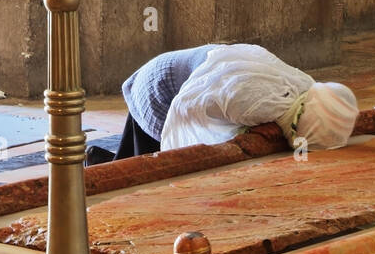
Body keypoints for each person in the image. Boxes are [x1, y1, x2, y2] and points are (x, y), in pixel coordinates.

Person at [88, 43, 358, 164]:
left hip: (194, 67)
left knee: (138, 155)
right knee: (149, 168)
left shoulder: (303, 91)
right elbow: (186, 112)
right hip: (163, 85)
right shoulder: (253, 102)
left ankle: (99, 160)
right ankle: (98, 167)